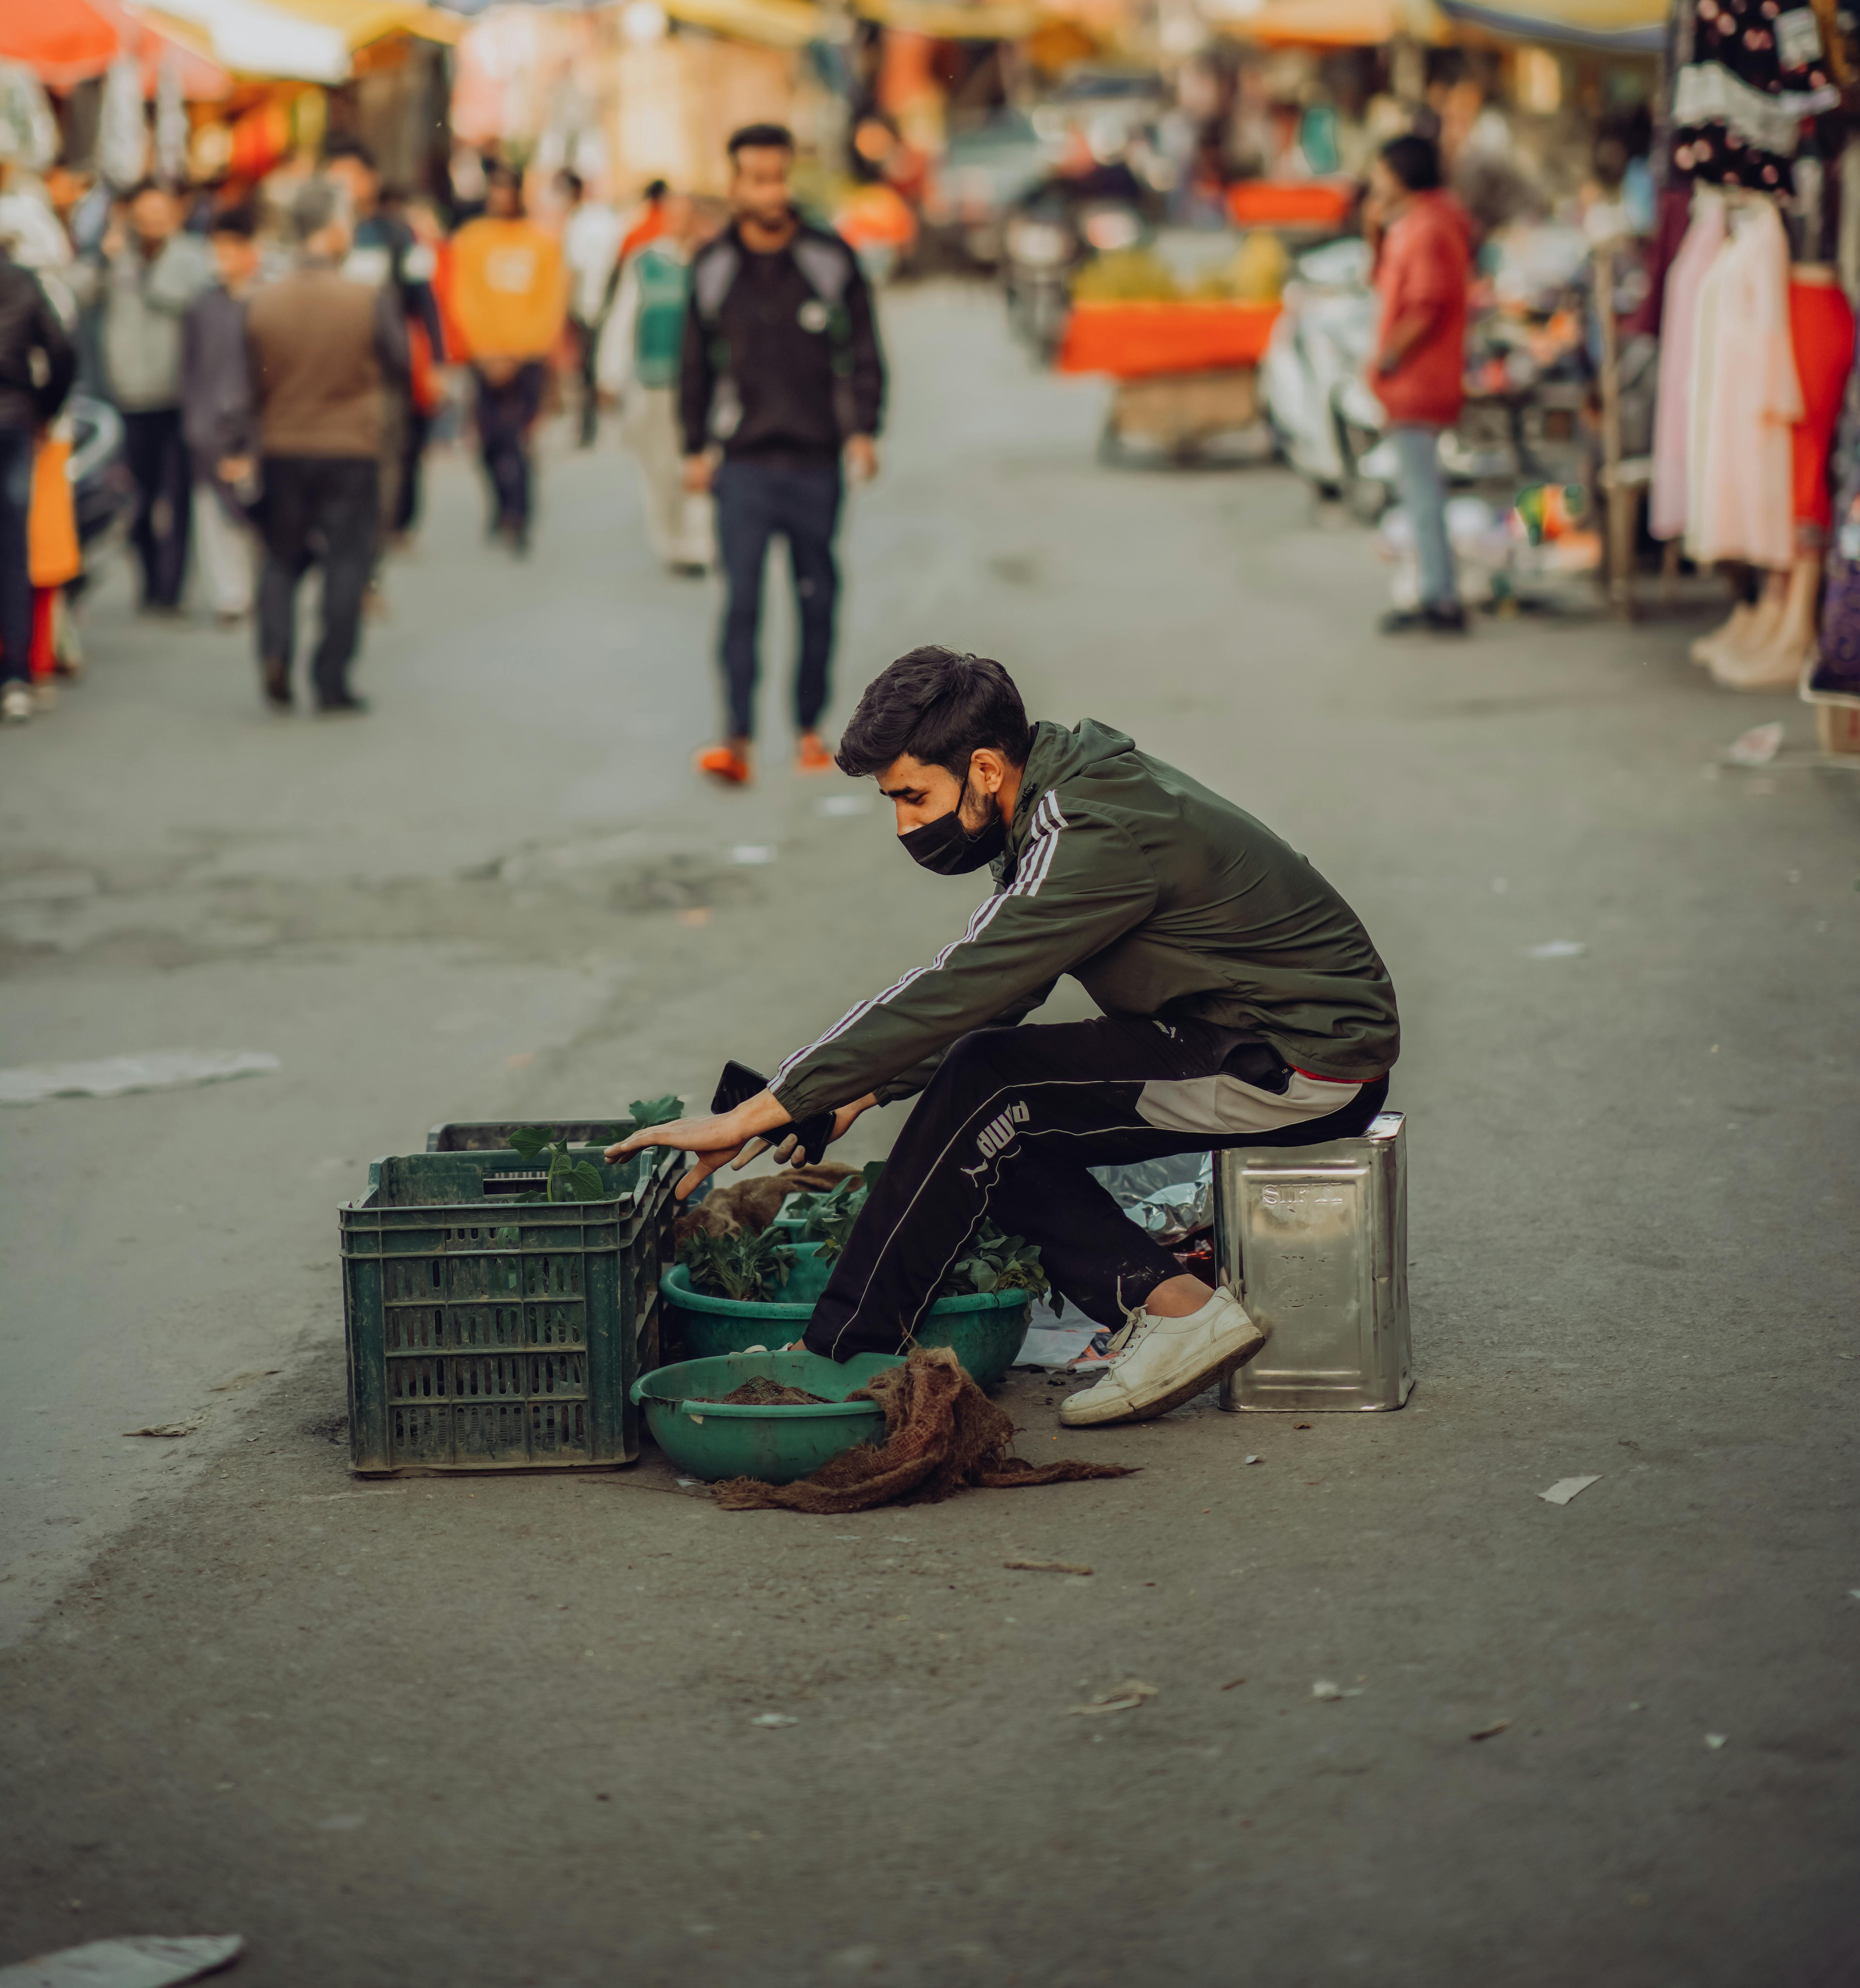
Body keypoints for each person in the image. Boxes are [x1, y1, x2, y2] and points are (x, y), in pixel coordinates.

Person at [610, 647, 1398, 1426]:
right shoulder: (1053, 789)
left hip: (1303, 1061)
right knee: (983, 1119)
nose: (904, 824)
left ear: (984, 769)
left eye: (913, 796)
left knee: (989, 1086)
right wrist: (866, 1086)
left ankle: (848, 1354)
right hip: (1230, 1030)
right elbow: (1010, 983)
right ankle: (1175, 1308)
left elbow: (967, 982)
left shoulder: (1090, 829)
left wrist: (764, 1108)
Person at [680, 123, 884, 784]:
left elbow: (863, 352)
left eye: (779, 176)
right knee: (741, 600)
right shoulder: (712, 267)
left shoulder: (829, 258)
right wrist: (693, 446)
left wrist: (863, 429)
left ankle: (808, 727)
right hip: (741, 465)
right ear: (734, 186)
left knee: (815, 594)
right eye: (757, 178)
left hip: (816, 462)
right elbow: (694, 366)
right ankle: (736, 737)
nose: (772, 191)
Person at [244, 179, 406, 713]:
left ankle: (275, 651)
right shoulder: (364, 298)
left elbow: (250, 382)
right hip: (350, 445)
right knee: (347, 560)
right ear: (334, 230)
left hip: (283, 441)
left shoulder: (262, 303)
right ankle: (330, 677)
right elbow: (398, 366)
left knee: (281, 557)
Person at [1366, 132, 1473, 635]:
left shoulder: (1428, 226)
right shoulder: (1417, 222)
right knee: (1417, 490)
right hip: (1414, 377)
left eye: (1381, 172)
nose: (1375, 181)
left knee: (1422, 491)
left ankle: (1440, 596)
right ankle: (1433, 589)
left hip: (1419, 378)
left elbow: (1427, 304)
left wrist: (1390, 356)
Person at [90, 182, 214, 612]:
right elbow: (83, 293)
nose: (153, 224)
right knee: (137, 494)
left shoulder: (193, 258)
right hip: (130, 393)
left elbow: (199, 306)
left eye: (161, 214)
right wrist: (100, 254)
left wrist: (149, 272)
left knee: (177, 495)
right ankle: (148, 577)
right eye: (145, 215)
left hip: (179, 392)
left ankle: (172, 588)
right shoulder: (114, 257)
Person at [322, 140, 444, 546]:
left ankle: (371, 549)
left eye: (351, 176)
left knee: (384, 461)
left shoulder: (396, 233)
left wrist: (438, 361)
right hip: (325, 368)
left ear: (371, 180)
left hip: (382, 367)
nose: (343, 186)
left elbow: (424, 300)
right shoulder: (317, 235)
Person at [448, 159, 567, 554]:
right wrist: (487, 350)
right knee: (488, 440)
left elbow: (551, 303)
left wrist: (520, 350)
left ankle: (519, 513)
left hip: (527, 357)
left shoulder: (542, 243)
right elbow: (464, 298)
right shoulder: (471, 240)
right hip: (485, 358)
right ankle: (500, 505)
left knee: (519, 437)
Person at [595, 188, 714, 571]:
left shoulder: (710, 261)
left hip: (703, 384)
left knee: (699, 462)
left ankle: (701, 542)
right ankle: (671, 542)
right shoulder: (644, 262)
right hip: (657, 382)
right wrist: (609, 373)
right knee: (661, 466)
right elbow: (623, 319)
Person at [0, 236, 76, 720]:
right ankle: (16, 676)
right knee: (12, 551)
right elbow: (63, 351)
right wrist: (43, 410)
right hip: (13, 422)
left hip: (16, 418)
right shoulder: (21, 280)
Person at [180, 201, 263, 629]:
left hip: (258, 427)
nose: (224, 258)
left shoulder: (268, 302)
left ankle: (257, 590)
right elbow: (190, 368)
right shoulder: (202, 305)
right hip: (208, 427)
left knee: (254, 512)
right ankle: (230, 596)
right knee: (212, 513)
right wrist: (196, 424)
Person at [556, 168, 623, 447]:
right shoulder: (606, 218)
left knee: (589, 367)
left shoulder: (580, 222)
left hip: (589, 305)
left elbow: (573, 270)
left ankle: (589, 425)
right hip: (603, 302)